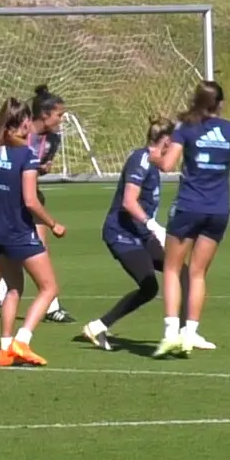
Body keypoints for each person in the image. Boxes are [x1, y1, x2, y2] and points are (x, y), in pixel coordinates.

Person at [152, 81, 230, 358]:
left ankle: (171, 333)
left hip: (189, 206)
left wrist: (156, 157)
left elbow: (167, 165)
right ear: (220, 104)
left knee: (171, 268)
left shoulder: (187, 128)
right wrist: (228, 163)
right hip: (218, 210)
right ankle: (191, 333)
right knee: (199, 272)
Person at [0, 98, 66, 367]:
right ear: (22, 124)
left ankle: (4, 349)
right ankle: (23, 339)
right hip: (19, 231)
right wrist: (53, 224)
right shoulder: (26, 156)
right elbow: (31, 201)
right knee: (49, 287)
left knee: (13, 288)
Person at [80, 117, 175, 352]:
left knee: (179, 270)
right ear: (166, 142)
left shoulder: (152, 162)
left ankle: (184, 332)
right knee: (149, 287)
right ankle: (97, 326)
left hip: (140, 232)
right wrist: (153, 226)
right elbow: (128, 202)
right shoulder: (140, 160)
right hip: (121, 233)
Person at [0, 85, 71, 322]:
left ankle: (52, 306)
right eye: (59, 115)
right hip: (12, 202)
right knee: (5, 252)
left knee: (40, 247)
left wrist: (42, 169)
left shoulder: (52, 139)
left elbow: (35, 169)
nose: (61, 120)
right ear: (45, 115)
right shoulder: (19, 134)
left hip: (32, 197)